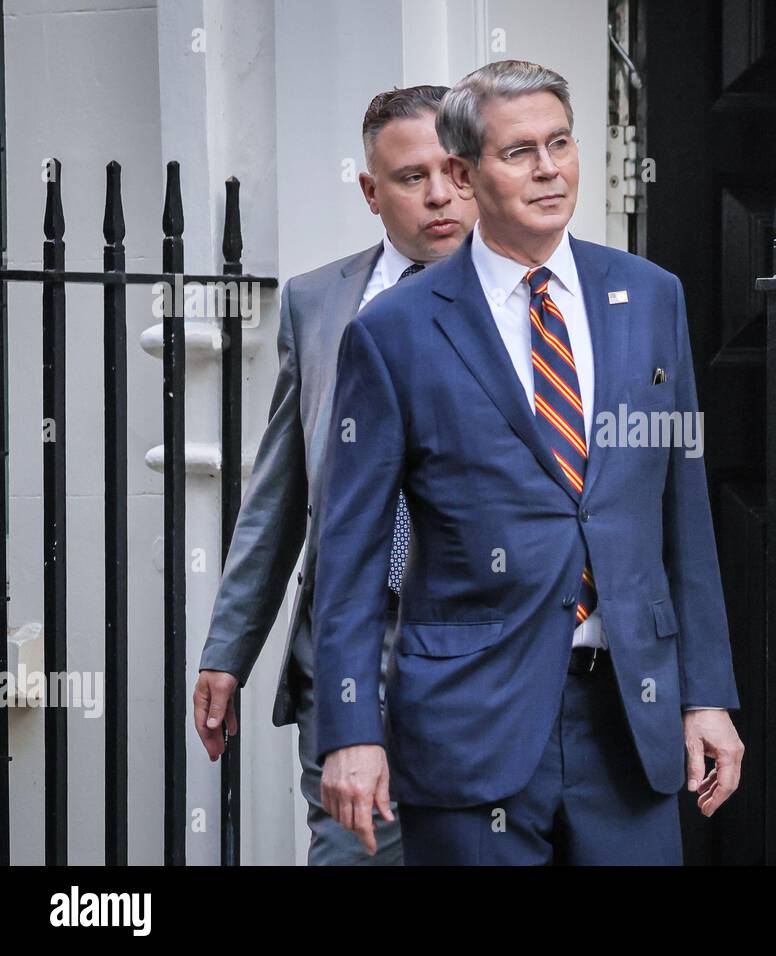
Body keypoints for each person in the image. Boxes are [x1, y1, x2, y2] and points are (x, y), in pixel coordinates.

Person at [313, 59, 744, 865]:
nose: (549, 169)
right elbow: (350, 553)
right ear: (469, 175)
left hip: (630, 723)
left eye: (561, 143)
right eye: (520, 153)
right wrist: (350, 731)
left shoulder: (651, 296)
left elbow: (682, 514)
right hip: (470, 729)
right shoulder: (396, 331)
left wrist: (707, 693)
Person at [192, 84, 478, 865]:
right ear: (370, 191)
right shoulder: (318, 303)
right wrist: (228, 648)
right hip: (347, 646)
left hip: (480, 646)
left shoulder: (523, 302)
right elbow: (278, 493)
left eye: (457, 170)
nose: (442, 196)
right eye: (413, 177)